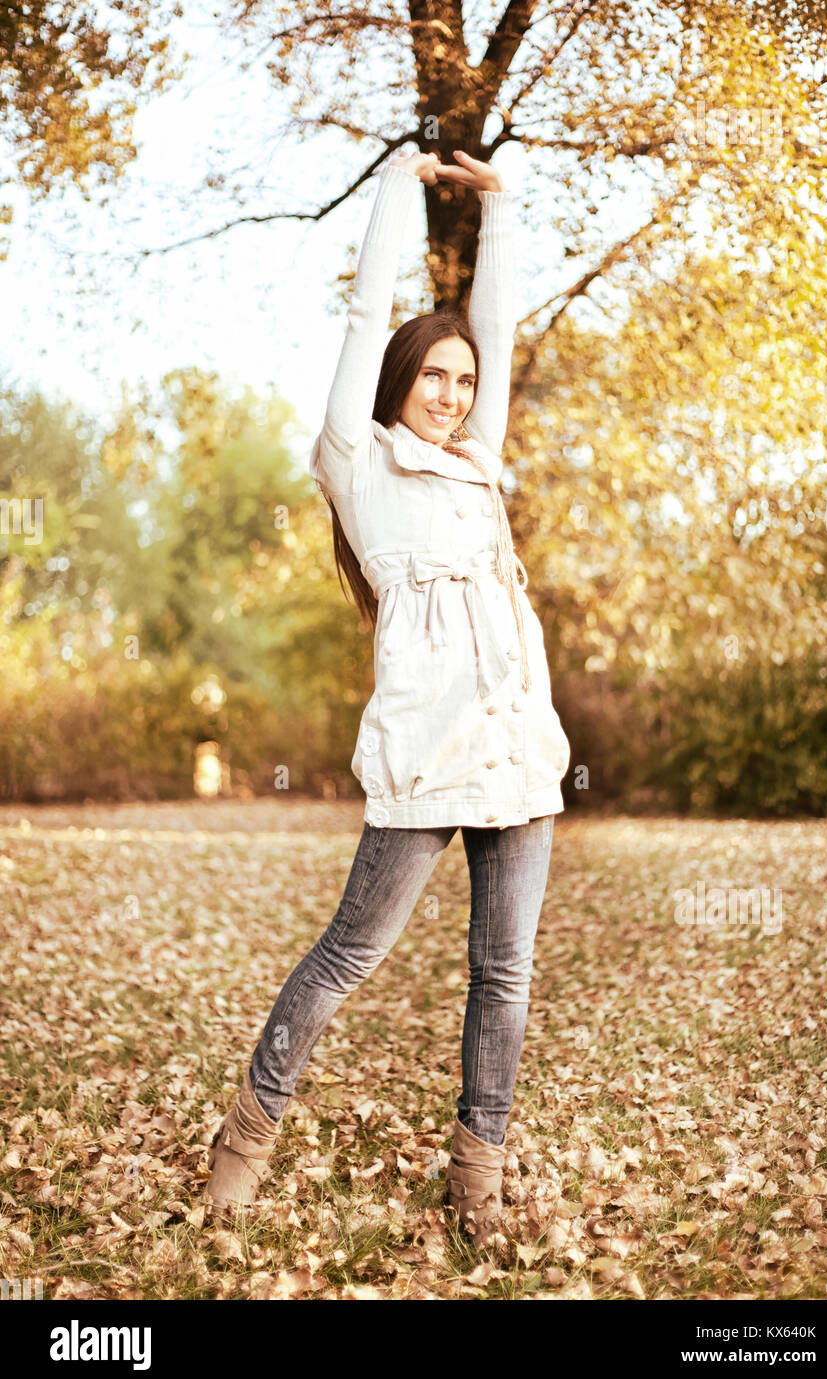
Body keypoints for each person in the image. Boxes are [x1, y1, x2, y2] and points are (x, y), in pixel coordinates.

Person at [204, 148, 572, 1250]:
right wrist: (385, 195)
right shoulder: (354, 460)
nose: (455, 394)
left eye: (463, 381)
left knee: (502, 971)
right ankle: (244, 1141)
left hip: (517, 746)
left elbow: (498, 338)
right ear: (399, 384)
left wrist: (496, 219)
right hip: (423, 751)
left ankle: (476, 1177)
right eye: (435, 377)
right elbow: (366, 314)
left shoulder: (479, 463)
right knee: (347, 955)